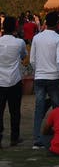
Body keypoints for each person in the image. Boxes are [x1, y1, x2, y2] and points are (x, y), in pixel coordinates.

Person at [30, 11, 59, 149]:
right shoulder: (58, 39)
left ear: (45, 22)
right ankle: (58, 134)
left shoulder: (37, 38)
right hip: (53, 77)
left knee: (39, 108)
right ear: (57, 24)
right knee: (57, 108)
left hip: (40, 76)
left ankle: (37, 138)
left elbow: (32, 59)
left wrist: (37, 71)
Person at [0, 15, 27, 148]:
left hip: (0, 80)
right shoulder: (19, 42)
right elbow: (23, 56)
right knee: (15, 111)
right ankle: (14, 138)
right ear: (15, 27)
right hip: (14, 79)